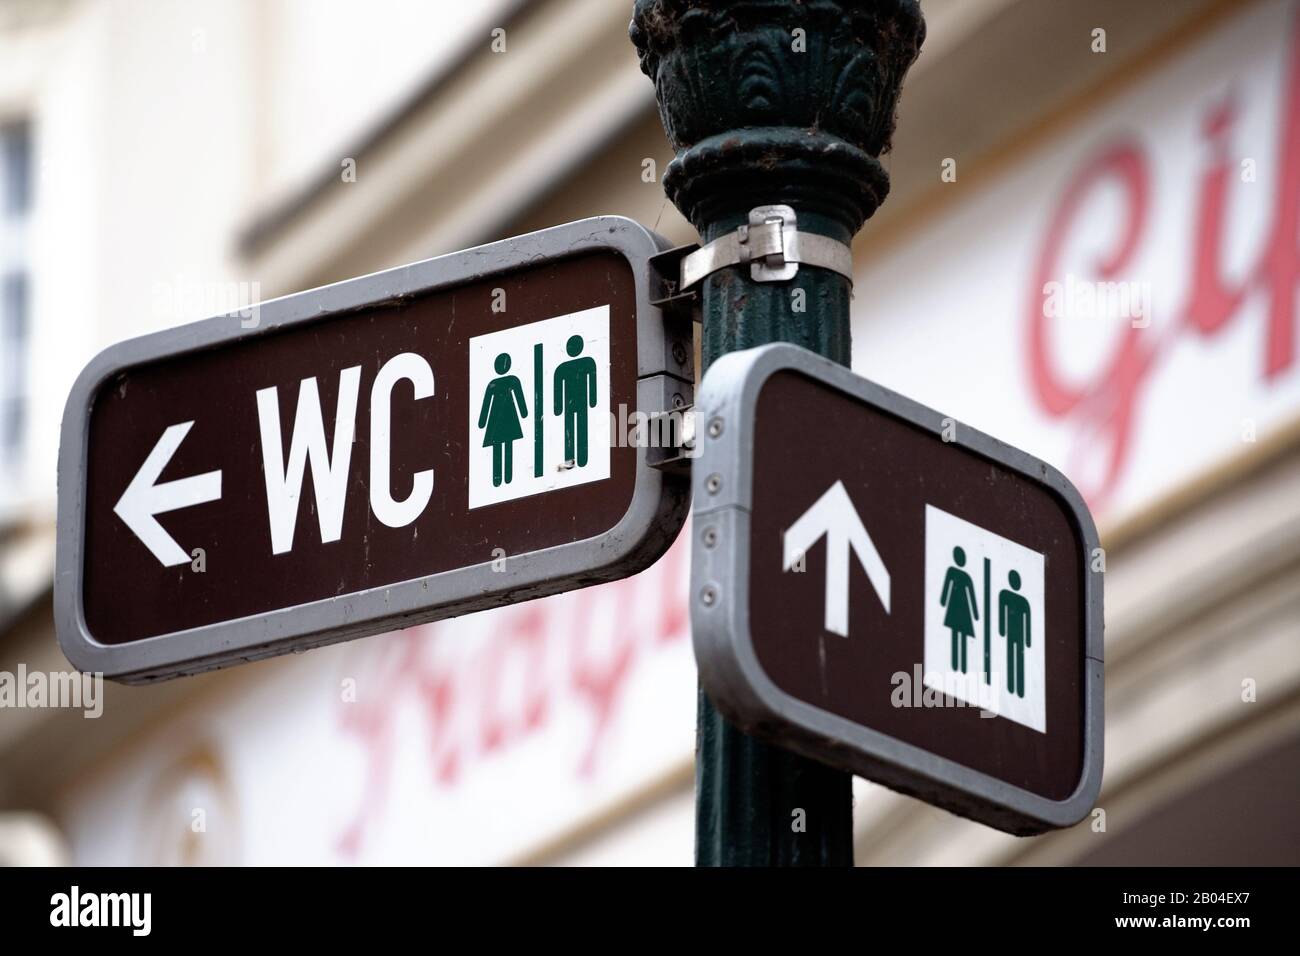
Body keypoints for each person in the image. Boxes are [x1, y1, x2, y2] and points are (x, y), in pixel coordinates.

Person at [477, 352, 528, 487]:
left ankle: (504, 478)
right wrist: (523, 412)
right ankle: (500, 478)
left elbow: (519, 397)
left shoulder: (503, 382)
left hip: (501, 415)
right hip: (506, 414)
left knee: (503, 445)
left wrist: (482, 422)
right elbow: (486, 403)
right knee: (501, 445)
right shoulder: (503, 382)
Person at [552, 334, 597, 468]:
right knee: (569, 430)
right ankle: (569, 458)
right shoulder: (562, 368)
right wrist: (558, 407)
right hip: (569, 404)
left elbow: (592, 382)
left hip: (581, 402)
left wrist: (592, 400)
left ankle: (582, 457)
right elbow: (557, 387)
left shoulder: (588, 362)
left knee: (581, 428)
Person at [939, 546, 979, 673]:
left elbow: (971, 595)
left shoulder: (963, 575)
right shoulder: (954, 572)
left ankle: (961, 666)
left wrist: (976, 614)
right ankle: (956, 665)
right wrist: (943, 601)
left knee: (960, 634)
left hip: (960, 607)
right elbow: (947, 588)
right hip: (957, 607)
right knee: (956, 634)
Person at [998, 569, 1032, 698]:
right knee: (1011, 656)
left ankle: (1019, 687)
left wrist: (1028, 639)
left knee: (1018, 657)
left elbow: (1027, 620)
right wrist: (1002, 629)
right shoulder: (1004, 595)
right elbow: (1002, 613)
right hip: (1011, 632)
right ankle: (1012, 685)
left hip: (1018, 634)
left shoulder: (1023, 601)